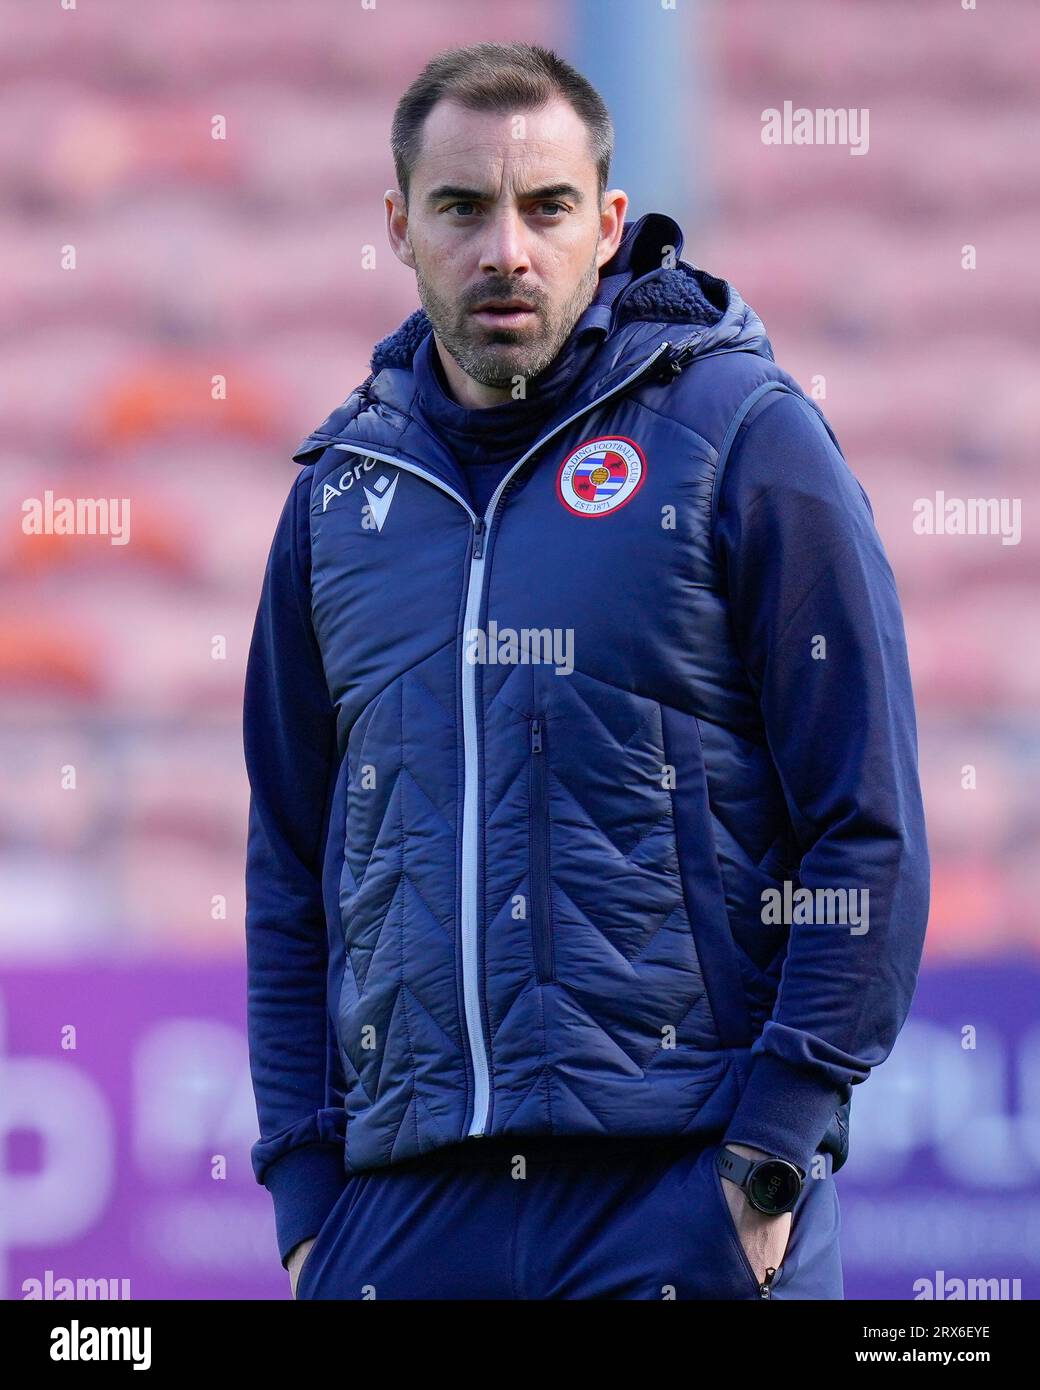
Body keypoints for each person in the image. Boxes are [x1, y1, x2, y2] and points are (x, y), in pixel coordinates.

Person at [243, 41, 929, 1301]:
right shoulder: (342, 497)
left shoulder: (741, 439)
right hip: (403, 1216)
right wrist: (306, 1197)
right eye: (461, 207)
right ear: (397, 225)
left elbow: (864, 823)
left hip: (681, 1197)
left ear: (607, 225)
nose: (505, 246)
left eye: (545, 206)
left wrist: (769, 1156)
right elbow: (290, 868)